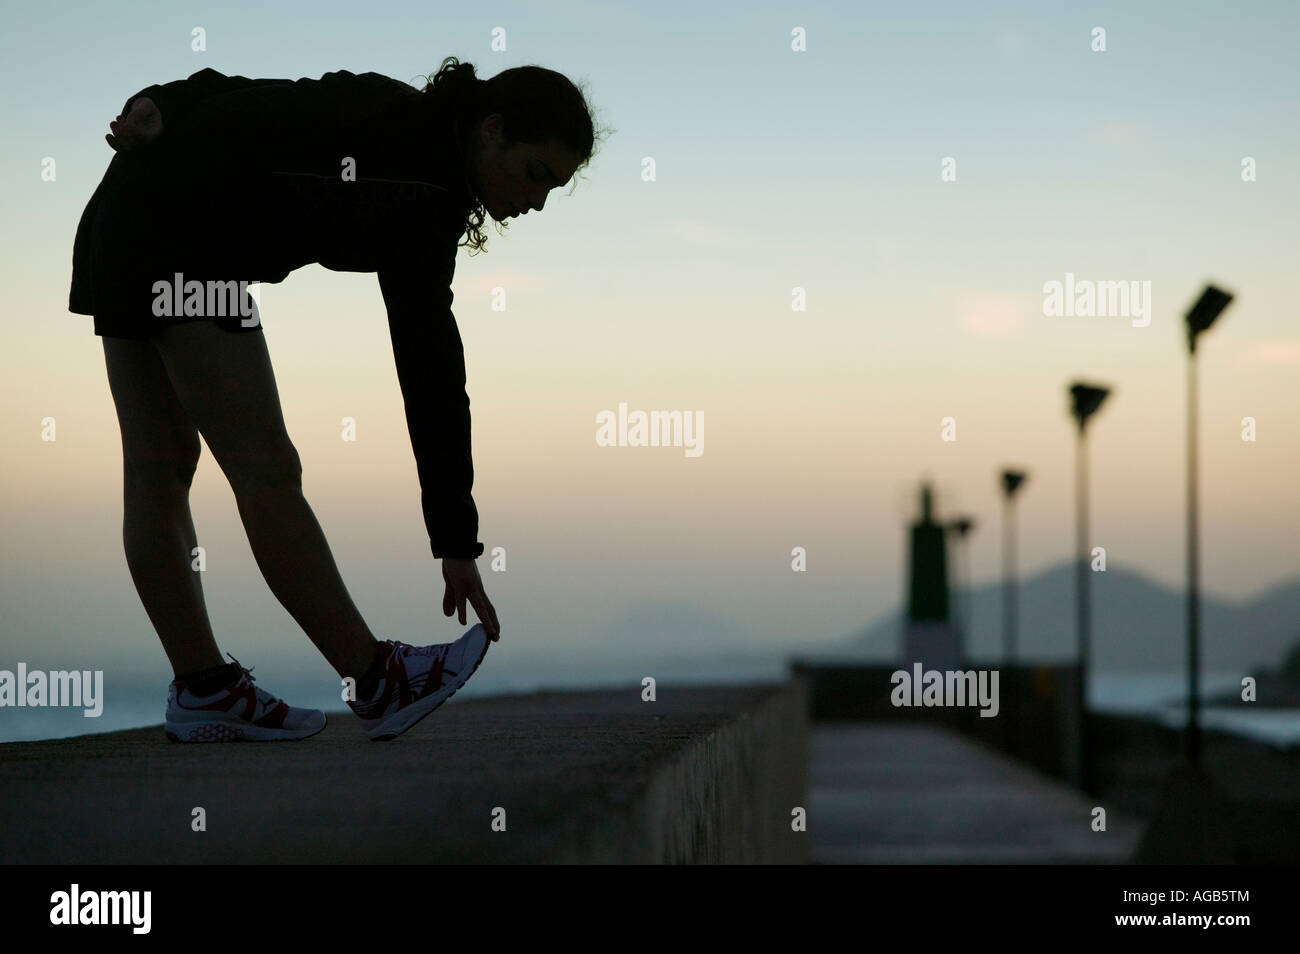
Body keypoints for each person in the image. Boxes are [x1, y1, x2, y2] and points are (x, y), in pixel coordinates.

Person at [69, 57, 602, 741]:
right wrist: (457, 538)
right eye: (536, 175)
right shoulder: (416, 164)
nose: (537, 202)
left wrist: (159, 97)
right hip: (182, 242)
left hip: (126, 217)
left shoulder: (414, 152)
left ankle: (204, 687)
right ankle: (375, 679)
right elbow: (431, 365)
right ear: (492, 131)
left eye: (554, 190)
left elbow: (244, 94)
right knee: (264, 468)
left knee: (159, 467)